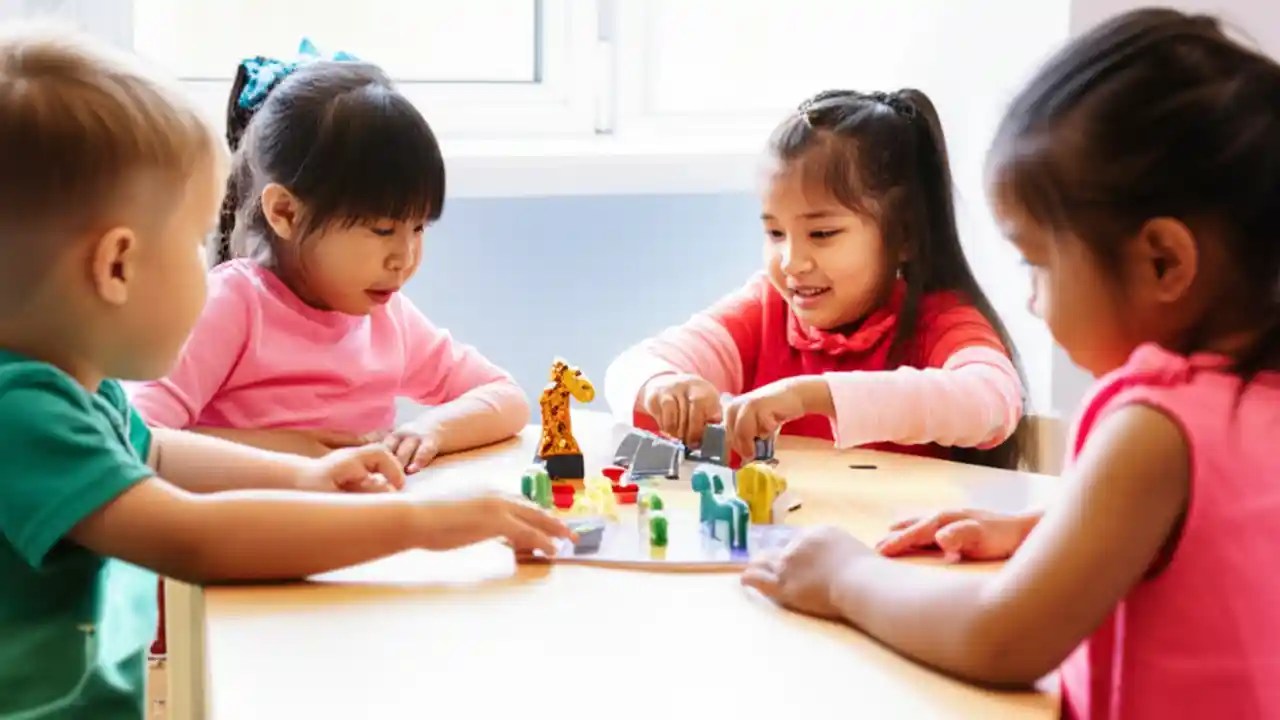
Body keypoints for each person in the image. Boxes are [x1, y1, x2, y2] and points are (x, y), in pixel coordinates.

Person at [0, 26, 569, 718]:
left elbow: (160, 450)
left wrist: (301, 477)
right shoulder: (21, 412)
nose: (212, 258)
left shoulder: (74, 391)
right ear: (117, 266)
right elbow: (191, 537)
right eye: (190, 241)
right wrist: (420, 522)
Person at [743, 9, 1280, 718]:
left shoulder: (1156, 426)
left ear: (1162, 261)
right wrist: (1056, 529)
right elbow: (1216, 546)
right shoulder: (1256, 401)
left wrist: (847, 577)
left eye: (1038, 263)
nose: (1030, 299)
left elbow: (1004, 637)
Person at [127, 47, 526, 474]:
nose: (404, 258)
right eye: (382, 230)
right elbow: (131, 436)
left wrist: (432, 428)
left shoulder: (388, 319)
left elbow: (505, 396)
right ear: (285, 213)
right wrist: (286, 450)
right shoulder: (235, 305)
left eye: (418, 228)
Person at [604, 88, 1026, 468]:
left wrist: (810, 396)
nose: (791, 262)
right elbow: (629, 369)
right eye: (774, 233)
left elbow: (993, 402)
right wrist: (663, 386)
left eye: (822, 234)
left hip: (893, 553)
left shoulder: (938, 320)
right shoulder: (765, 309)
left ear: (904, 236)